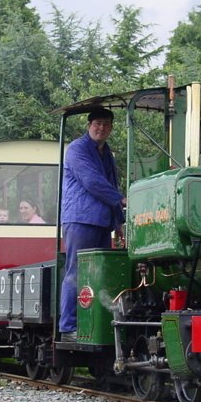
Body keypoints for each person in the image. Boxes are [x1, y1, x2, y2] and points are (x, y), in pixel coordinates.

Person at [59, 108, 126, 341]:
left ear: (111, 128)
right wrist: (121, 200)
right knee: (76, 272)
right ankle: (68, 327)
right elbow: (92, 181)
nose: (102, 128)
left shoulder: (107, 153)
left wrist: (119, 221)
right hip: (80, 219)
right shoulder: (77, 149)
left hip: (102, 222)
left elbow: (112, 183)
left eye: (106, 124)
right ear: (89, 125)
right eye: (98, 123)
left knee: (100, 275)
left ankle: (94, 324)